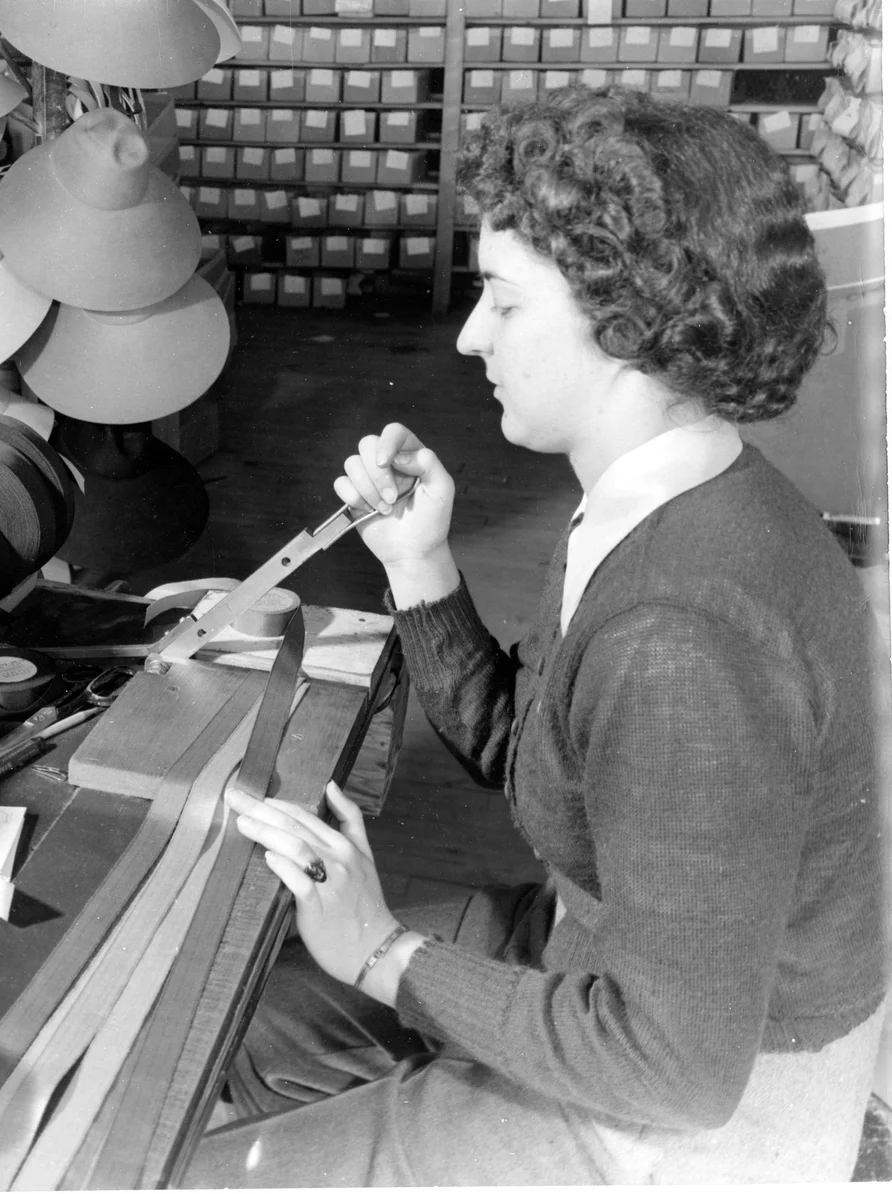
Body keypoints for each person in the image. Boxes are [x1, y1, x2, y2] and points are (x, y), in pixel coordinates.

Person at [183, 85, 887, 1185]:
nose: (468, 337)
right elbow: (542, 759)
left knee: (202, 1169)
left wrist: (383, 951)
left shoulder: (684, 639)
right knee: (231, 1020)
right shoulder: (654, 499)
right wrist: (420, 565)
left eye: (504, 303)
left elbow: (675, 1069)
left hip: (695, 1110)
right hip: (607, 954)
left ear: (623, 324)